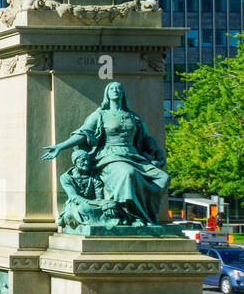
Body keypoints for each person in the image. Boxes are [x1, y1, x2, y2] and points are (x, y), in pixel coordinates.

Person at [42, 81, 169, 226]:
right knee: (128, 174)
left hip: (134, 156)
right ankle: (133, 216)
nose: (115, 90)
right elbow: (82, 134)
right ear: (107, 94)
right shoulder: (100, 115)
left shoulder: (133, 117)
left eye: (118, 88)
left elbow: (146, 139)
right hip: (110, 157)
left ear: (123, 93)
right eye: (112, 88)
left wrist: (158, 153)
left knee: (162, 178)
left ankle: (148, 216)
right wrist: (60, 146)